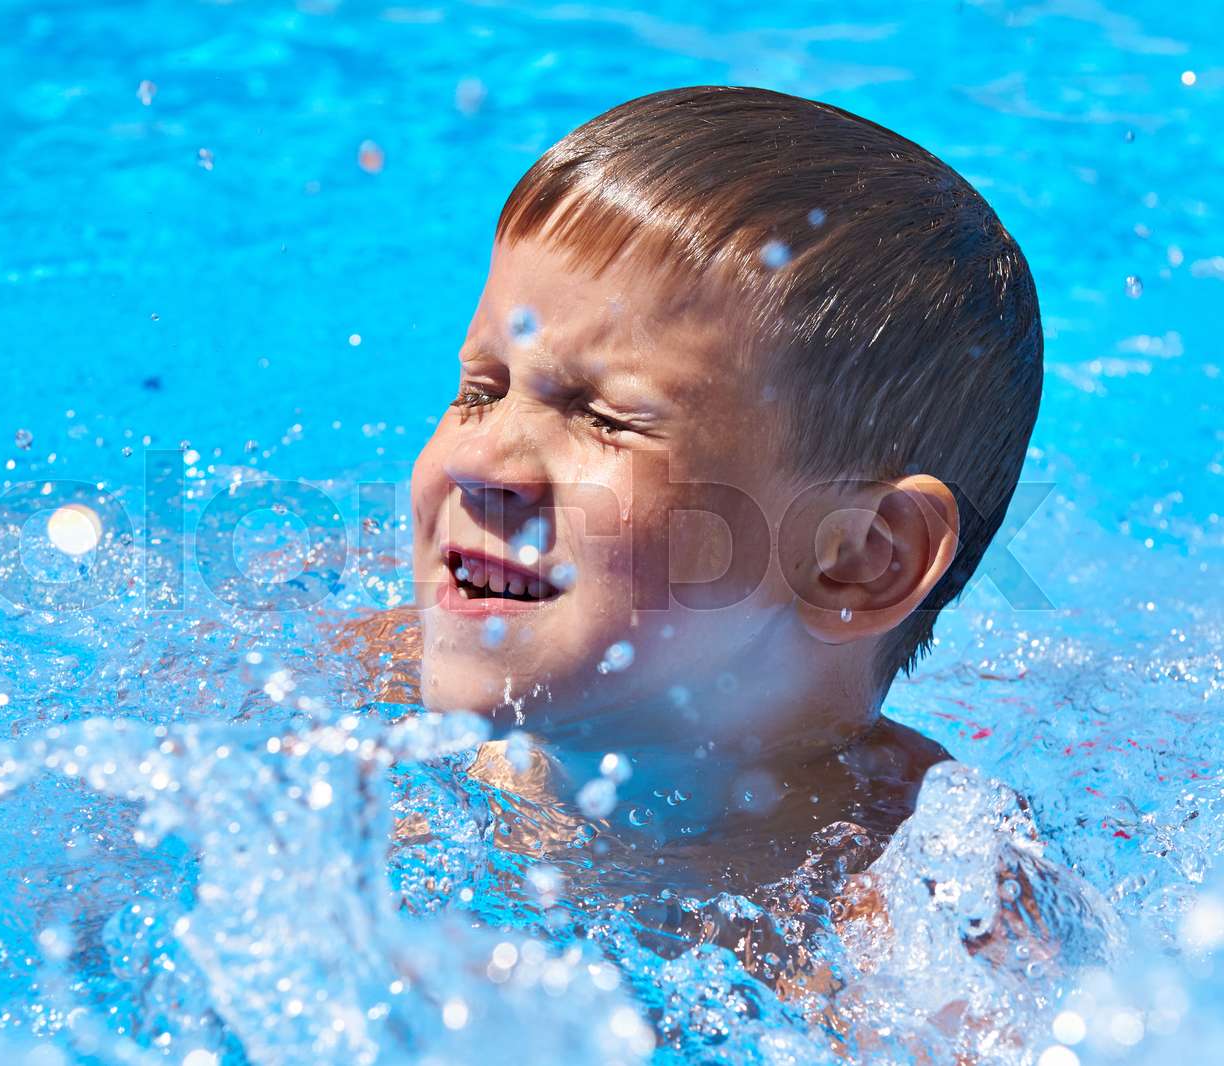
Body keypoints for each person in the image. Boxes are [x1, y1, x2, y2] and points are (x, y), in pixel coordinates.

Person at [406, 85, 1043, 894]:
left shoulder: (931, 908)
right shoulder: (362, 704)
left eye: (605, 417)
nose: (479, 462)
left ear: (857, 559)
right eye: (481, 390)